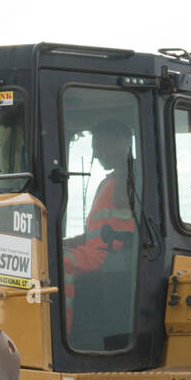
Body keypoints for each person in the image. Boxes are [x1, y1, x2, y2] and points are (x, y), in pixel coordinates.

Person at [62, 118, 137, 337]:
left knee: (62, 263)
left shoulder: (131, 179)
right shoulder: (108, 182)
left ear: (121, 142)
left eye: (99, 146)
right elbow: (94, 233)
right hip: (96, 250)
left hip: (113, 254)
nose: (96, 154)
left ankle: (60, 332)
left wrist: (127, 165)